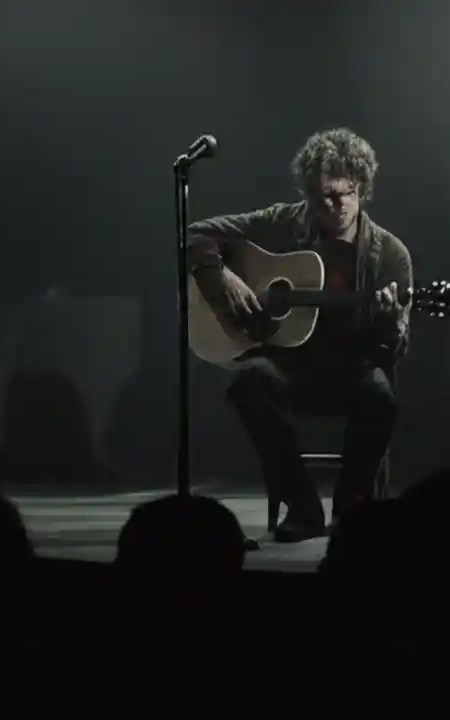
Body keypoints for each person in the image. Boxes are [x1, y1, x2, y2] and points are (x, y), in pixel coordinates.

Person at [187, 127, 413, 542]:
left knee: (381, 396)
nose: (334, 205)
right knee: (250, 382)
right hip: (287, 366)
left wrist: (389, 321)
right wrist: (221, 274)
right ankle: (303, 507)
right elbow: (195, 232)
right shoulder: (282, 222)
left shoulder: (389, 254)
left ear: (362, 188)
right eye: (322, 196)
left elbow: (394, 349)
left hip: (349, 369)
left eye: (344, 194)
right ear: (307, 195)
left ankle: (353, 510)